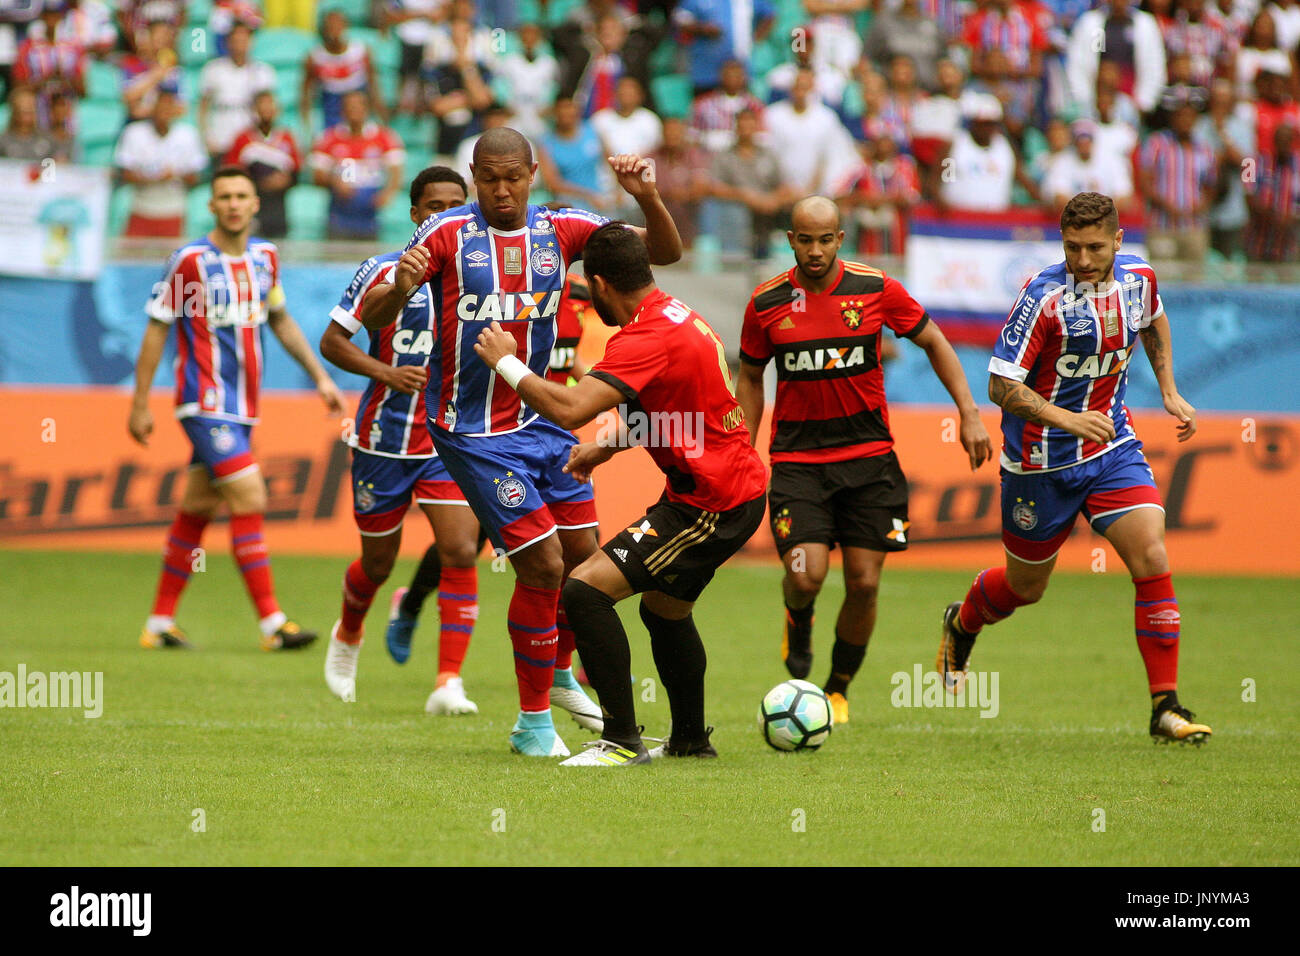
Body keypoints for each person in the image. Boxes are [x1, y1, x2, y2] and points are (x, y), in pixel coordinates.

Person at [359, 130, 683, 756]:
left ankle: (558, 674)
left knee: (587, 564)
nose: (501, 191)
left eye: (513, 176)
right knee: (542, 566)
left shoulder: (563, 229)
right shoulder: (444, 233)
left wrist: (648, 198)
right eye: (489, 178)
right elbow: (376, 316)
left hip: (542, 420)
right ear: (473, 174)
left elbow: (661, 255)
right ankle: (532, 722)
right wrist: (401, 287)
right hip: (470, 431)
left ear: (534, 172)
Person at [472, 222, 768, 765]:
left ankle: (620, 741)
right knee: (663, 611)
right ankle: (689, 741)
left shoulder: (645, 337)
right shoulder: (678, 315)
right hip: (728, 490)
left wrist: (505, 361)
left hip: (710, 502)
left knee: (584, 591)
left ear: (600, 284)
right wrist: (603, 449)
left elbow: (567, 408)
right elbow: (673, 409)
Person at [936, 191, 1212, 745]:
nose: (1082, 260)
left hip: (1111, 449)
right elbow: (1000, 385)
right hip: (1038, 465)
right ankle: (962, 621)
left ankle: (1166, 706)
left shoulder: (1139, 279)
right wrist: (1068, 419)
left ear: (1117, 240)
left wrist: (1169, 390)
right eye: (1071, 248)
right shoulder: (1043, 298)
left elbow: (1154, 321)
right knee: (1025, 588)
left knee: (1152, 554)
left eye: (1092, 247)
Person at [735, 196, 991, 725]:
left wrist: (968, 412)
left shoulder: (874, 289)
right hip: (798, 463)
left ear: (840, 239)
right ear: (790, 241)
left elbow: (935, 341)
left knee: (865, 583)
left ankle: (837, 688)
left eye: (825, 239)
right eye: (804, 239)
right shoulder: (766, 302)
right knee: (805, 575)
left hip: (870, 462)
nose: (815, 250)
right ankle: (797, 615)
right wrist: (741, 446)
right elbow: (750, 379)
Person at [128, 166, 346, 652]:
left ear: (254, 205)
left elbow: (281, 320)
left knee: (198, 507)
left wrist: (321, 377)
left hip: (244, 407)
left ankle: (159, 623)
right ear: (211, 205)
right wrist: (140, 403)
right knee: (250, 496)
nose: (232, 203)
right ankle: (273, 625)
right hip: (203, 402)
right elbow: (158, 327)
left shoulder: (266, 258)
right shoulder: (189, 262)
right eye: (223, 195)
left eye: (241, 195)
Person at [319, 166, 486, 714]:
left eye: (456, 203)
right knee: (378, 564)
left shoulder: (482, 276)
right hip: (384, 441)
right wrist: (386, 372)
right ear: (415, 215)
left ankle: (448, 683)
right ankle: (348, 634)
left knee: (461, 549)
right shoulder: (381, 269)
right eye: (434, 205)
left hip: (450, 441)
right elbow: (334, 342)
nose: (445, 213)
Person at [309, 89, 405, 241]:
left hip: (370, 211)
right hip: (339, 211)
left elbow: (396, 171)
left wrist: (387, 193)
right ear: (342, 110)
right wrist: (335, 181)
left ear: (367, 108)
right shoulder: (328, 138)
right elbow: (317, 176)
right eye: (349, 106)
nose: (354, 110)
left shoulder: (384, 137)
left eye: (358, 106)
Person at [114, 89, 207, 238]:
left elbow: (195, 177)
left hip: (173, 209)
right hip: (141, 207)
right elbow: (125, 174)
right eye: (160, 106)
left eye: (169, 106)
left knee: (170, 257)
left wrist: (174, 175)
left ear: (176, 109)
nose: (164, 111)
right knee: (133, 257)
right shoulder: (134, 132)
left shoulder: (188, 134)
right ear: (152, 108)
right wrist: (154, 178)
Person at [222, 89, 301, 239]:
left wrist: (285, 181)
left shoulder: (287, 138)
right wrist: (258, 183)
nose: (266, 110)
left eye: (269, 105)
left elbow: (296, 173)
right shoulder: (243, 139)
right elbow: (231, 174)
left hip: (278, 210)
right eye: (261, 105)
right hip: (251, 209)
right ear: (254, 109)